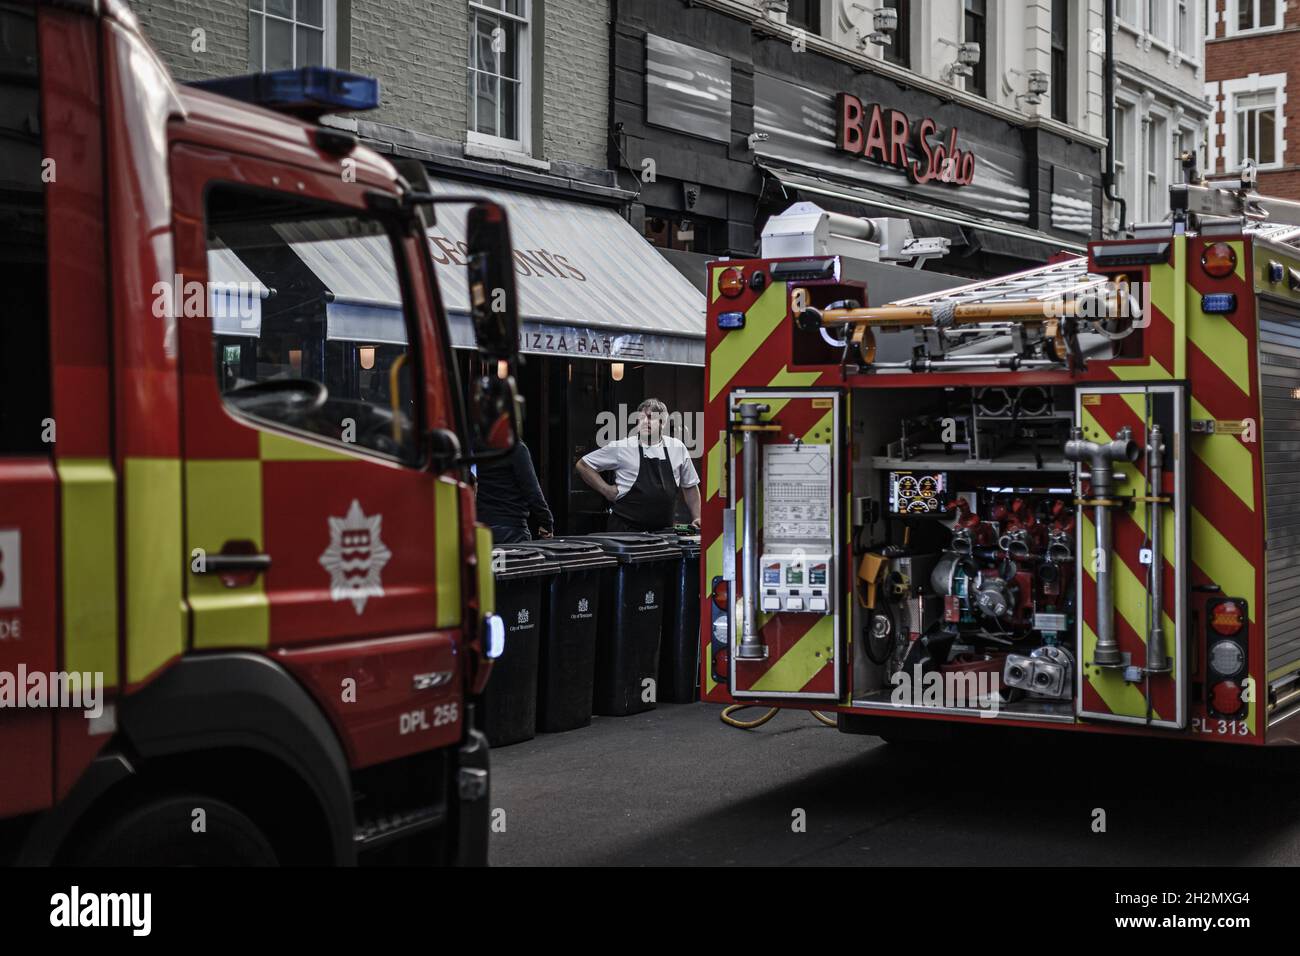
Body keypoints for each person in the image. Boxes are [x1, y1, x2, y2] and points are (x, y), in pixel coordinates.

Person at [576, 397, 701, 533]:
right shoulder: (622, 447)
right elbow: (583, 465)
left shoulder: (677, 448)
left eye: (650, 417)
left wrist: (697, 517)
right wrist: (606, 490)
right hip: (625, 532)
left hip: (663, 532)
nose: (645, 422)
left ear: (663, 422)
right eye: (641, 418)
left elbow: (690, 486)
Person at [474, 440, 554, 545]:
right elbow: (532, 490)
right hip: (512, 529)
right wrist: (546, 522)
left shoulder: (478, 447)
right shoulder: (516, 447)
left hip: (483, 528)